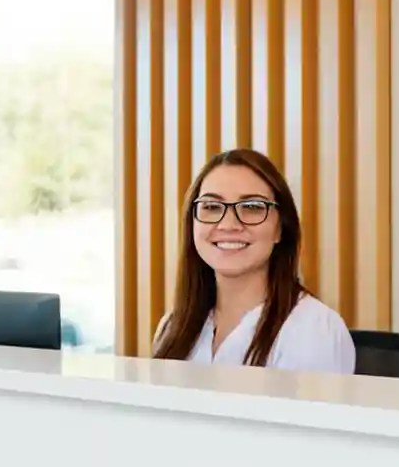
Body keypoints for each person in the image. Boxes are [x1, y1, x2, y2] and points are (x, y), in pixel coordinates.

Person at [152, 148, 355, 373]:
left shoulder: (314, 329)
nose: (228, 225)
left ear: (280, 229)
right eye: (211, 207)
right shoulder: (173, 326)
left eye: (251, 207)